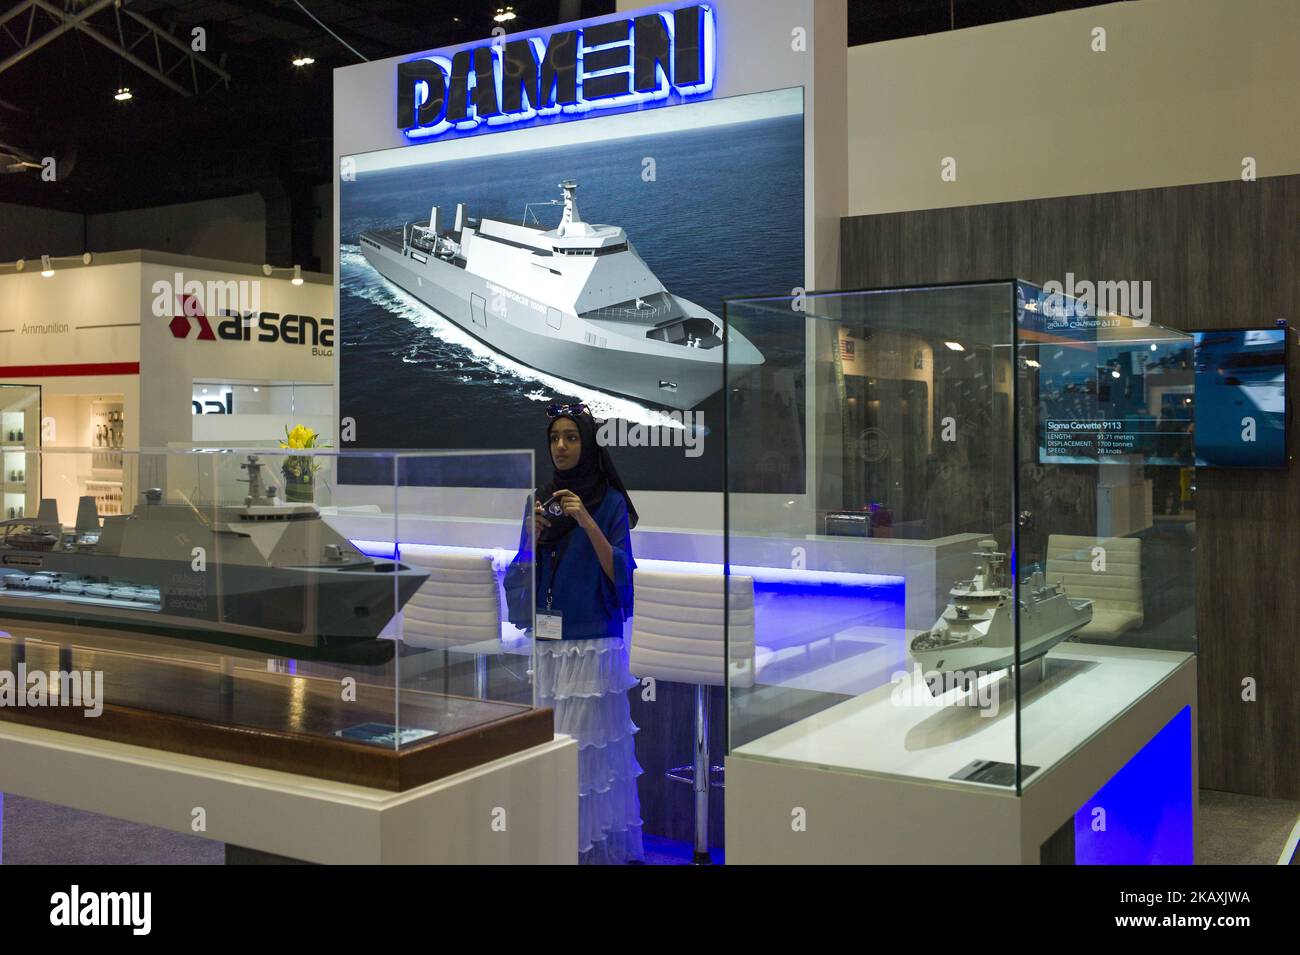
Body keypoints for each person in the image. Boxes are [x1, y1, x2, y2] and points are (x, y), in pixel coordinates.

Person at [506, 403, 645, 864]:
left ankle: (589, 849)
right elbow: (519, 581)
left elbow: (621, 575)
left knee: (588, 755)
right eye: (554, 438)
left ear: (586, 443)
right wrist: (531, 540)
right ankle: (554, 845)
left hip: (593, 644)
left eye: (571, 437)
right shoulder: (538, 500)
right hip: (548, 644)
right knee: (549, 749)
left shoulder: (609, 503)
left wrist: (584, 519)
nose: (561, 446)